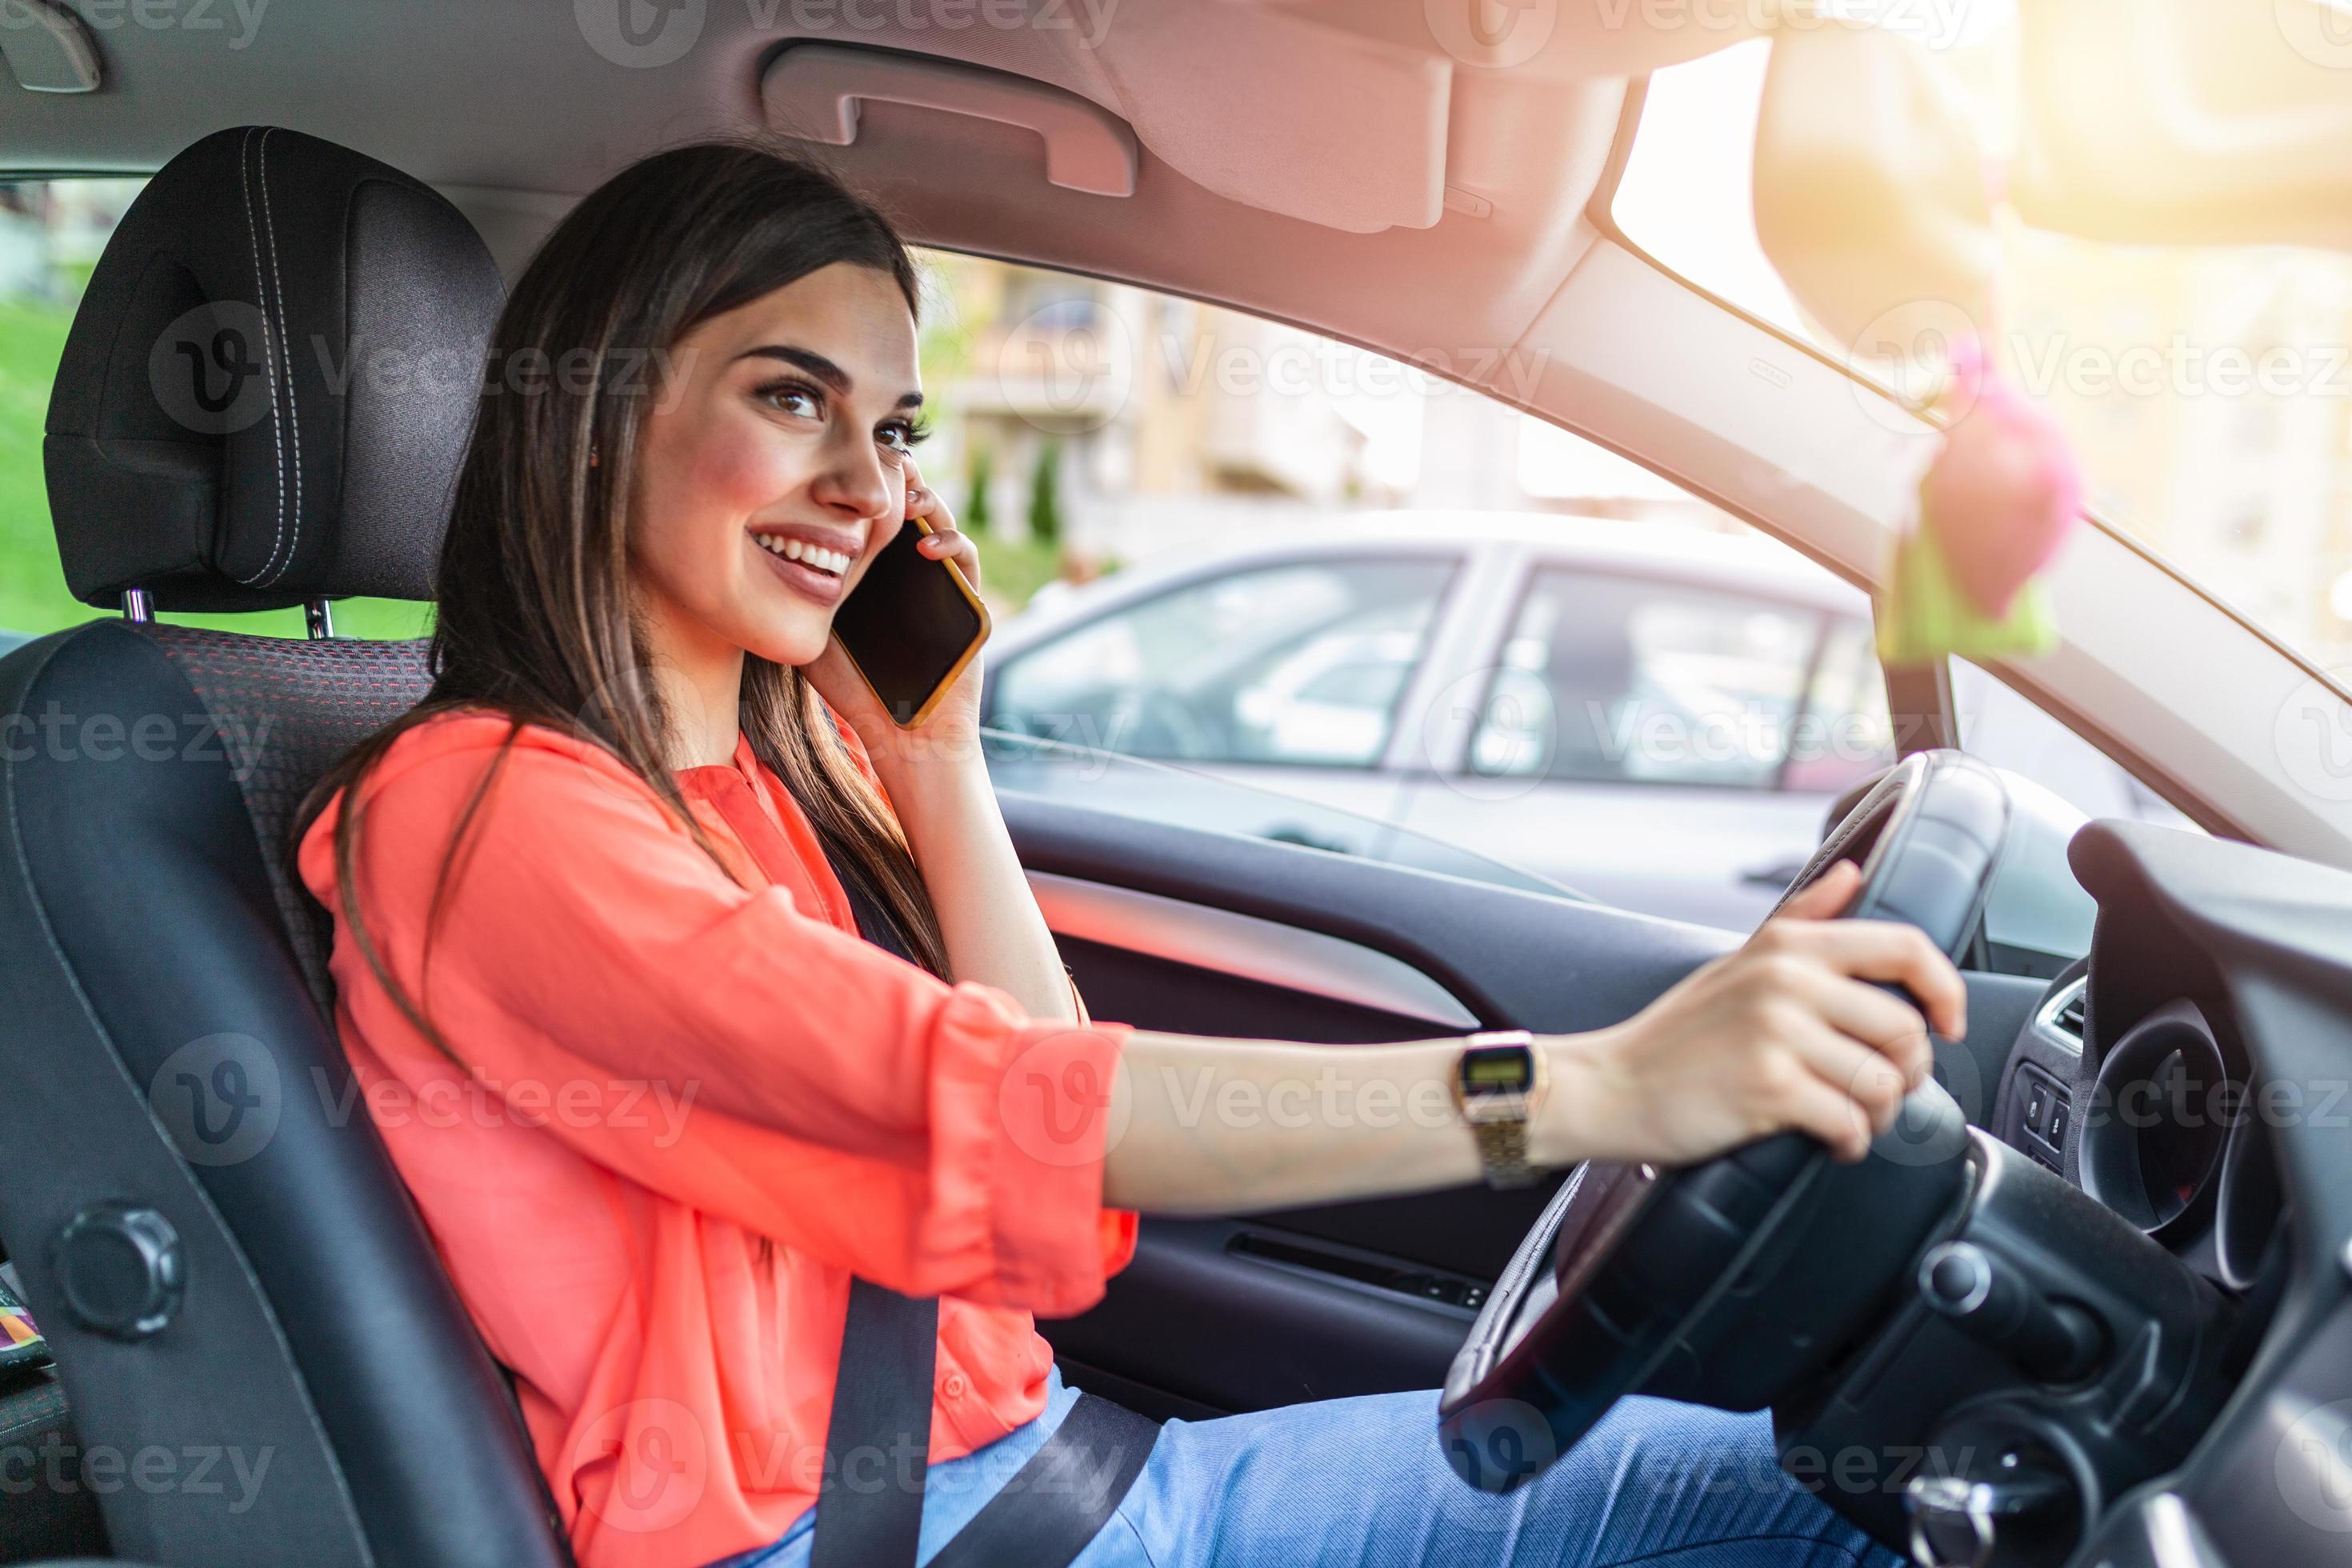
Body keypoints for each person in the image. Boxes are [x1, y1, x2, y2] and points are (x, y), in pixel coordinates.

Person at [296, 140, 1963, 1568]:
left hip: (1053, 1488)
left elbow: (1027, 1132)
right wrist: (1597, 1086)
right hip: (888, 1533)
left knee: (1837, 1480)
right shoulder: (484, 812)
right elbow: (1034, 1115)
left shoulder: (728, 789)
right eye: (791, 396)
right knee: (1840, 1504)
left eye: (891, 430)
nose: (863, 486)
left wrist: (939, 770)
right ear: (597, 418)